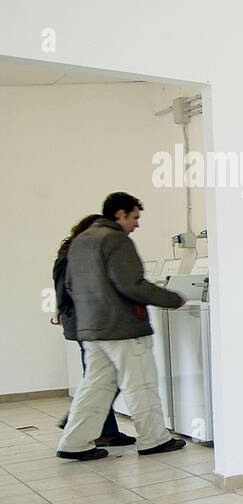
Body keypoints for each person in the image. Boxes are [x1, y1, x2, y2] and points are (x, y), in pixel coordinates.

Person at [56, 192, 187, 461]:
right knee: (141, 384)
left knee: (94, 388)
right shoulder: (116, 239)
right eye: (134, 217)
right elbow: (131, 284)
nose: (136, 225)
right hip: (124, 330)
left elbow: (70, 285)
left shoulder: (80, 242)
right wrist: (174, 299)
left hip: (92, 331)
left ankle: (74, 442)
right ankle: (154, 439)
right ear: (120, 214)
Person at [52, 214, 133, 446]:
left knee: (101, 377)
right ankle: (82, 423)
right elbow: (64, 289)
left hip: (90, 323)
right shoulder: (72, 256)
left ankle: (105, 430)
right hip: (86, 325)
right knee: (102, 377)